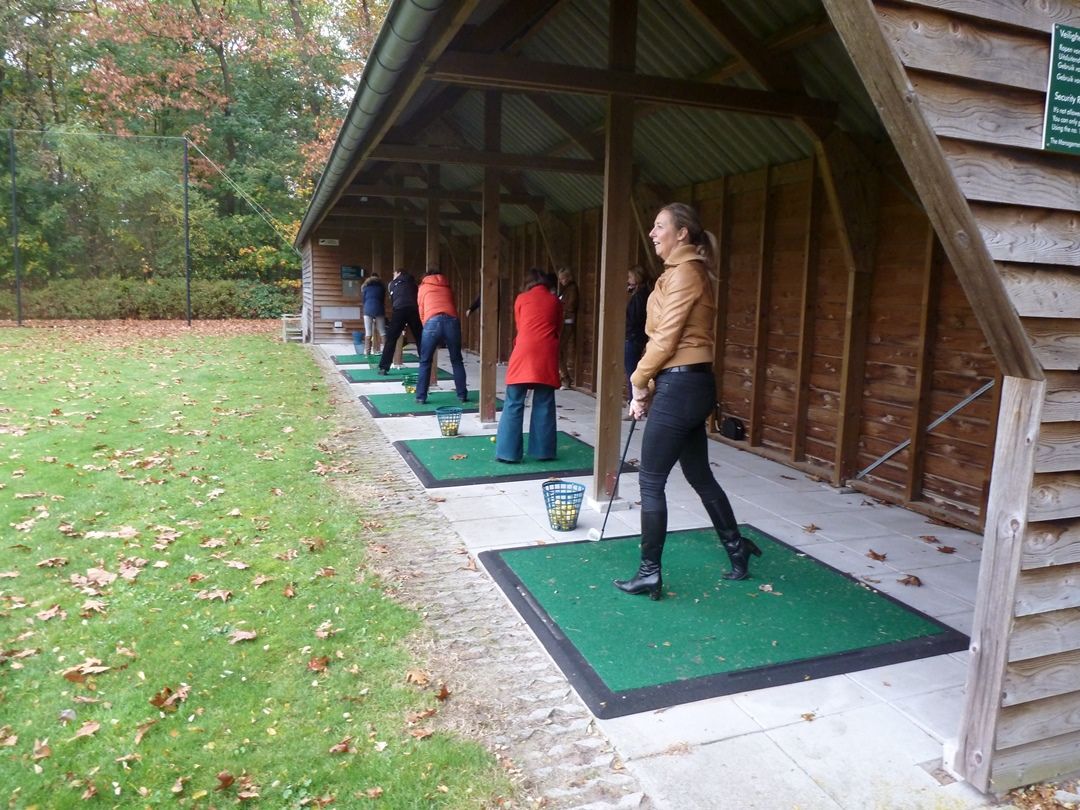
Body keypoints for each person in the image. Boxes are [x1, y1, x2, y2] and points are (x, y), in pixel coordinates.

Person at [614, 202, 760, 601]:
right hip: (685, 385)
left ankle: (649, 573)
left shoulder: (687, 274)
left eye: (659, 226)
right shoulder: (678, 273)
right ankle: (737, 547)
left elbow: (667, 338)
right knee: (699, 475)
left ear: (682, 234)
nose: (652, 233)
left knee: (650, 480)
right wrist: (650, 383)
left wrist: (639, 380)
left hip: (682, 386)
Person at [495, 269, 561, 463]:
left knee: (514, 402)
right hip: (546, 353)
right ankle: (543, 452)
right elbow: (557, 328)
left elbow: (520, 326)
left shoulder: (521, 299)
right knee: (544, 402)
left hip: (523, 351)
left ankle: (508, 453)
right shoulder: (555, 301)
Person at [414, 268, 468, 404]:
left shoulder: (423, 287)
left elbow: (421, 308)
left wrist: (426, 324)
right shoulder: (447, 287)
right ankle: (462, 395)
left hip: (432, 321)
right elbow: (453, 306)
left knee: (425, 361)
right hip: (451, 321)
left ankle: (421, 396)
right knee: (456, 360)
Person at [376, 268, 423, 375]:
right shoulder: (414, 284)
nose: (393, 275)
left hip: (399, 310)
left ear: (399, 273)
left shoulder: (392, 284)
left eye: (394, 273)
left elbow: (393, 300)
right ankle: (425, 365)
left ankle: (384, 368)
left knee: (391, 339)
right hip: (413, 310)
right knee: (420, 338)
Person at [624, 264, 650, 405]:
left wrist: (628, 333)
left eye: (630, 276)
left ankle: (634, 401)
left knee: (632, 372)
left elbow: (634, 319)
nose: (628, 280)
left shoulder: (639, 296)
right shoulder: (642, 293)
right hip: (638, 337)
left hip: (633, 338)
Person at [556, 267, 578, 389]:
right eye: (560, 278)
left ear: (568, 277)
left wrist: (561, 309)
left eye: (563, 278)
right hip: (564, 321)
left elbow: (570, 306)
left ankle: (565, 378)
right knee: (559, 350)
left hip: (567, 322)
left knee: (558, 350)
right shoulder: (566, 289)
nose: (561, 281)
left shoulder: (572, 289)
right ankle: (563, 376)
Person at [361, 273, 386, 355]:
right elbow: (382, 300)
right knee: (382, 331)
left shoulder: (365, 288)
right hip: (379, 309)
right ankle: (386, 351)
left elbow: (363, 301)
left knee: (368, 332)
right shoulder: (382, 288)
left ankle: (367, 352)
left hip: (367, 310)